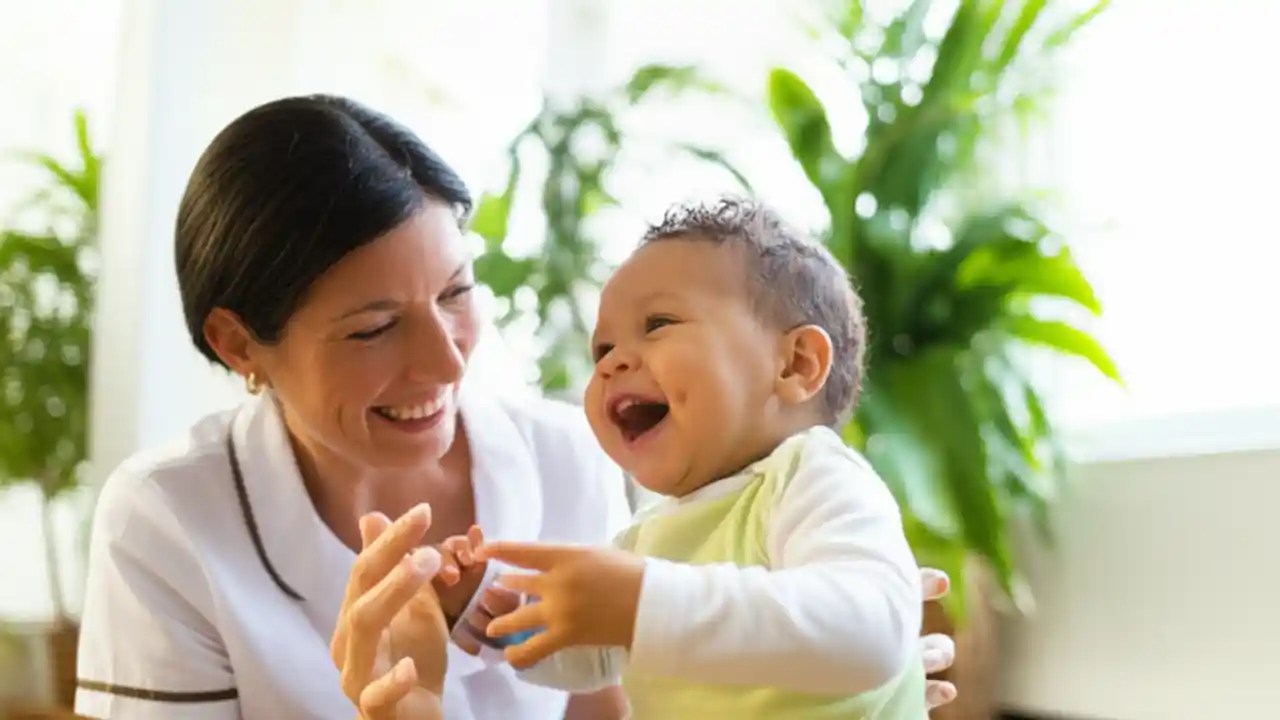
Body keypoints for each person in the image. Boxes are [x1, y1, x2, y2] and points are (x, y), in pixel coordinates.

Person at [73, 94, 958, 720]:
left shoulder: (591, 460)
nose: (446, 356)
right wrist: (475, 623)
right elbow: (590, 643)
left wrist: (804, 672)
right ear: (238, 345)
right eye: (374, 327)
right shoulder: (167, 523)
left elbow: (615, 667)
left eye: (457, 292)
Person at [434, 198, 928, 718]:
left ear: (796, 364)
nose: (613, 363)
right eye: (602, 350)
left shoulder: (812, 479)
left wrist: (643, 601)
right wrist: (500, 612)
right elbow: (588, 657)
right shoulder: (648, 536)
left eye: (658, 324)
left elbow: (872, 631)